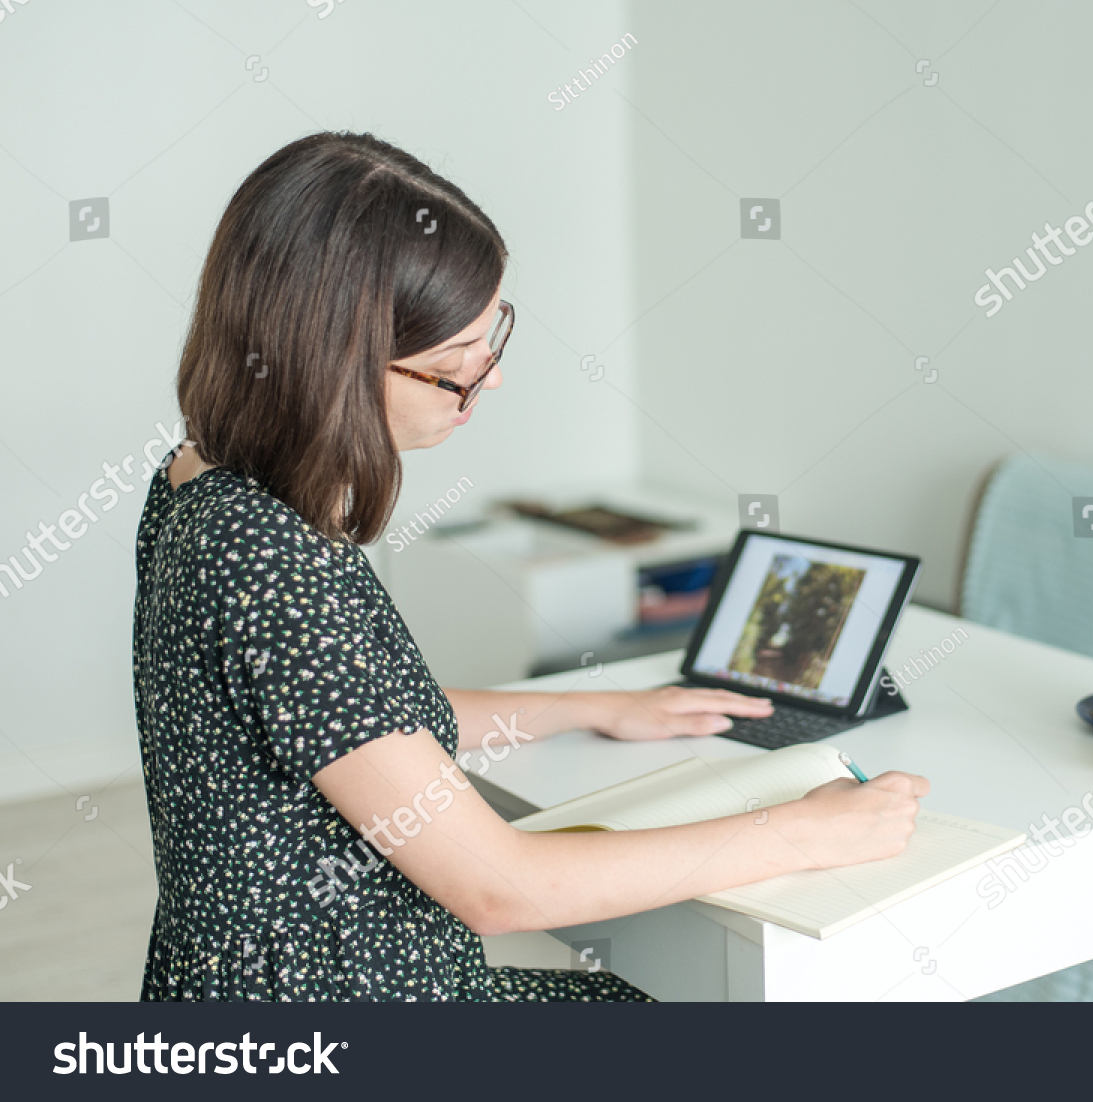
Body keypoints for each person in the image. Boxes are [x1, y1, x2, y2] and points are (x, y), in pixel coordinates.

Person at [134, 131, 928, 1001]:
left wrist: (596, 707)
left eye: (489, 339)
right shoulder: (267, 562)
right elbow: (500, 886)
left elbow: (357, 719)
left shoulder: (202, 483)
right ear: (336, 369)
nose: (488, 380)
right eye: (453, 367)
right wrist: (803, 835)